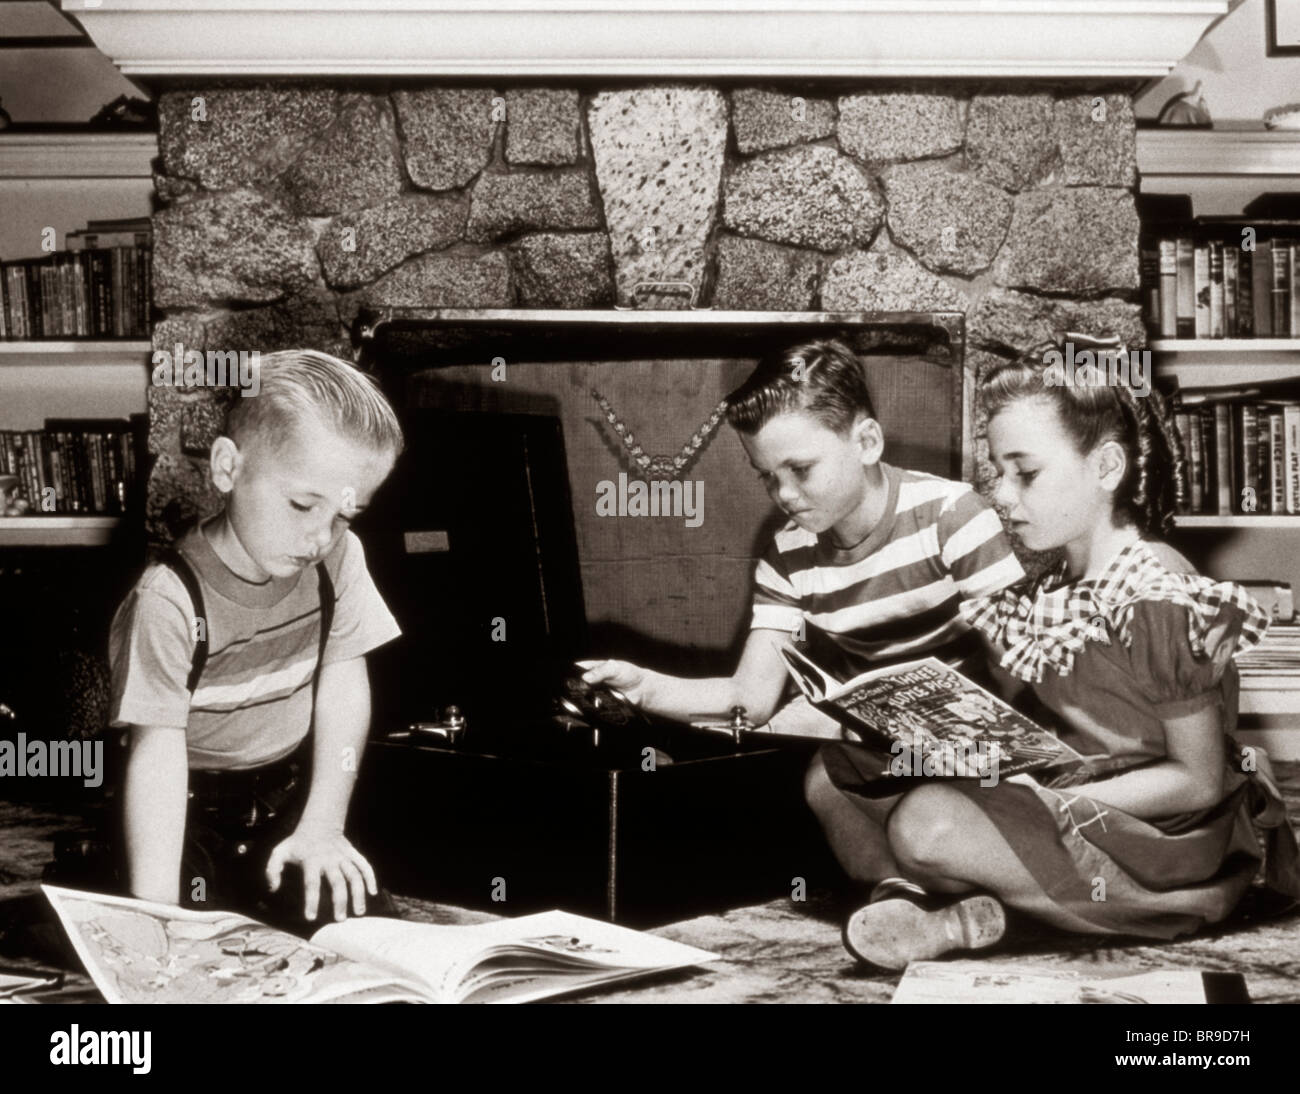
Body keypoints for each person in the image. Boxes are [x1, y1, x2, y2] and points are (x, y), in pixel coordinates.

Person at [833, 342, 1300, 970]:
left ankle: (981, 907)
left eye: (1025, 473)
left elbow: (1198, 777)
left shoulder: (1155, 592)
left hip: (1160, 833)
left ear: (1106, 467)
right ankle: (962, 906)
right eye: (997, 473)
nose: (1001, 495)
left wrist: (1051, 803)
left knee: (927, 823)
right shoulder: (1055, 587)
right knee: (835, 777)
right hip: (1081, 790)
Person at [583, 337, 1023, 745]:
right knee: (799, 761)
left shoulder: (954, 516)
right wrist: (644, 688)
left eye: (802, 469)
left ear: (867, 442)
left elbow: (1018, 672)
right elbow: (751, 698)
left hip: (972, 744)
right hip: (869, 742)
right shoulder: (788, 555)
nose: (785, 495)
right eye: (768, 477)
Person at [107, 349, 404, 930]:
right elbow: (157, 756)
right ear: (227, 468)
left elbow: (344, 684)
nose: (321, 536)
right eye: (301, 504)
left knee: (362, 928)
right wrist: (157, 916)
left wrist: (324, 824)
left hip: (284, 800)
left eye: (347, 514)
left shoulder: (337, 561)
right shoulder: (167, 600)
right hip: (181, 806)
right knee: (174, 945)